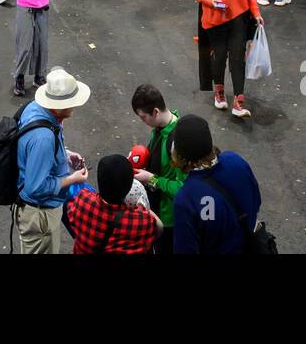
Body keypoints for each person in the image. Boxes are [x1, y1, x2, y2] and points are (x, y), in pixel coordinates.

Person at [13, 65, 90, 253]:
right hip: (39, 215)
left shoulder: (36, 109)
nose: (75, 105)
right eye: (72, 101)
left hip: (32, 209)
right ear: (58, 108)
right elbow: (35, 187)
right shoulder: (44, 138)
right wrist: (73, 179)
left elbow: (34, 150)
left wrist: (65, 153)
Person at [190, 0, 263, 118]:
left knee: (238, 58)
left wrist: (256, 13)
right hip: (215, 23)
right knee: (219, 57)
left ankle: (239, 101)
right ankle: (219, 91)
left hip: (238, 19)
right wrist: (211, 1)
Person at [170, 114, 262, 255]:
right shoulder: (236, 161)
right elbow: (256, 201)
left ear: (182, 157)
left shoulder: (186, 199)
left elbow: (186, 249)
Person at [63, 154, 161, 255]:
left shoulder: (83, 200)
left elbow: (70, 213)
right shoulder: (141, 221)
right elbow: (159, 227)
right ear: (128, 188)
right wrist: (140, 201)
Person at [130, 84, 186, 253]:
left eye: (143, 117)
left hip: (169, 219)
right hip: (155, 207)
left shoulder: (177, 142)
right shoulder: (158, 128)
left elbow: (182, 188)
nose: (143, 121)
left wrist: (151, 179)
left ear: (155, 111)